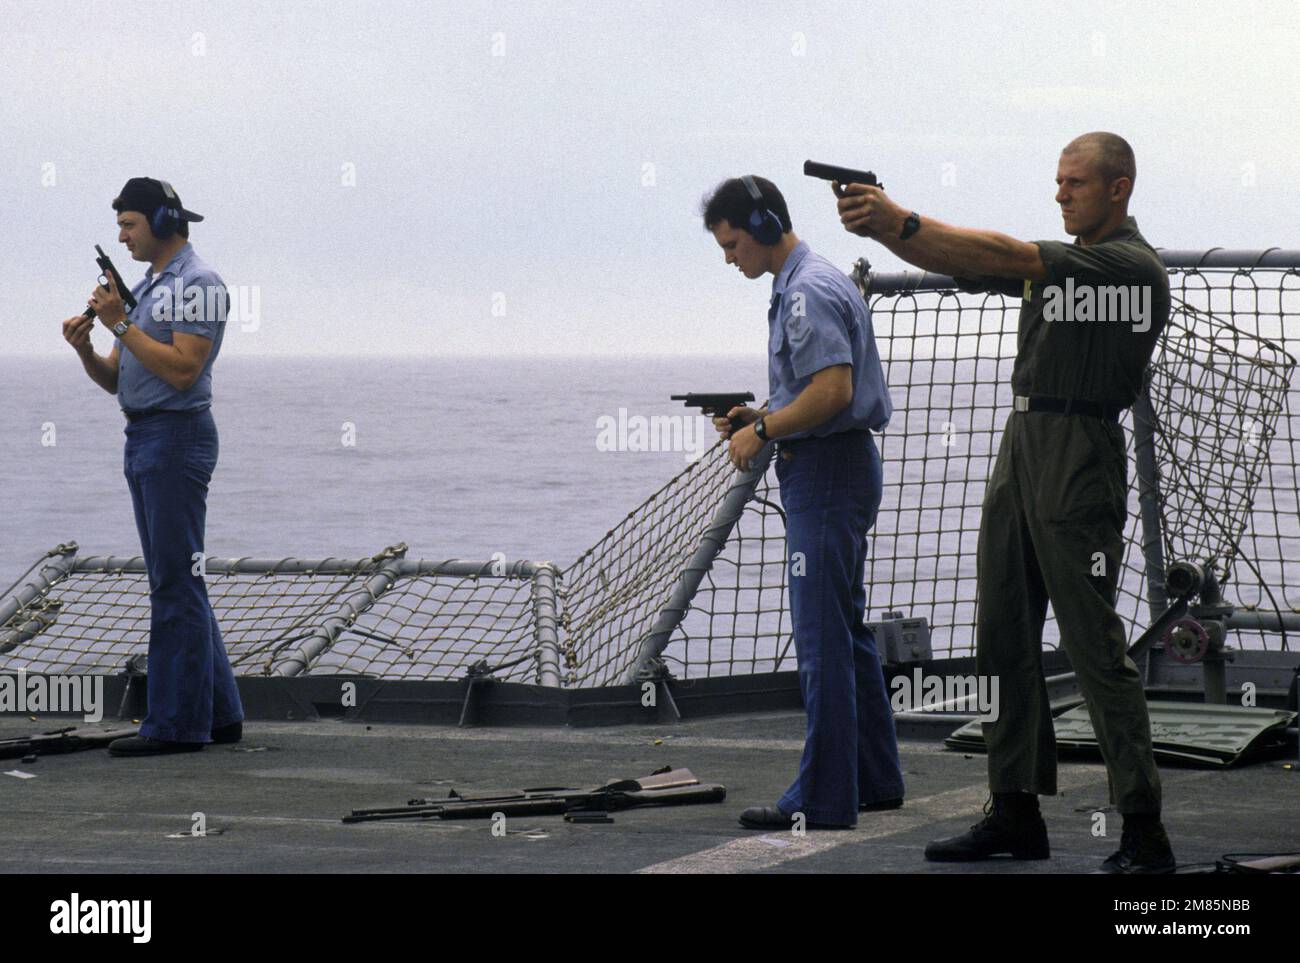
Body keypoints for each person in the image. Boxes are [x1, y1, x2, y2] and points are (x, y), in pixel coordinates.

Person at [832, 132, 1175, 872]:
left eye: (1076, 183)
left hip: (1079, 453)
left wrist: (903, 219)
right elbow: (969, 257)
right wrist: (890, 227)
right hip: (1023, 443)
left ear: (1119, 189)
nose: (1060, 194)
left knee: (1093, 646)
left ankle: (1144, 827)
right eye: (1057, 182)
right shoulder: (1070, 264)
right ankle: (1013, 805)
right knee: (1002, 637)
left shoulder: (1128, 268)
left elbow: (1014, 255)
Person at [702, 174, 905, 829]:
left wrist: (761, 430)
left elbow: (833, 391)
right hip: (840, 467)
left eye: (732, 243)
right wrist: (763, 412)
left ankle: (823, 797)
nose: (729, 256)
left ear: (761, 228)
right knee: (847, 633)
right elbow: (815, 394)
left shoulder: (805, 293)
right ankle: (873, 777)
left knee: (821, 642)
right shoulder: (814, 279)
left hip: (825, 472)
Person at [60, 177, 244, 757]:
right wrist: (88, 348)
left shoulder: (201, 284)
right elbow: (119, 377)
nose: (122, 236)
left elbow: (185, 370)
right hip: (143, 434)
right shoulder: (147, 285)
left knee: (173, 584)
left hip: (177, 437)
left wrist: (120, 324)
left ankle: (175, 727)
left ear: (164, 223)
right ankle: (220, 715)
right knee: (179, 579)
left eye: (129, 225)